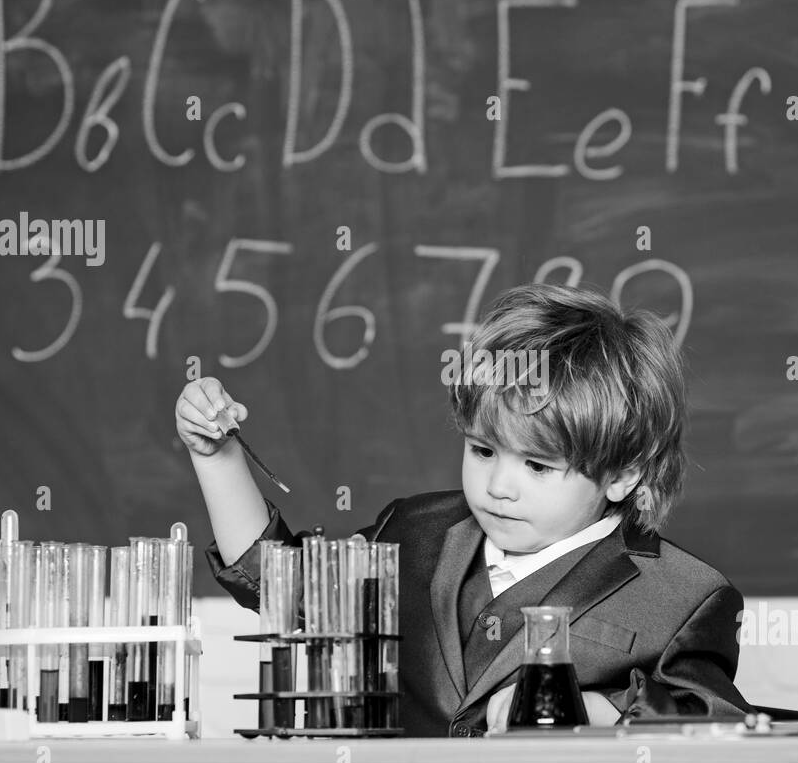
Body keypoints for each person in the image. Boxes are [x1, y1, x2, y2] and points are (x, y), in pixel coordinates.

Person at [176, 284, 753, 737]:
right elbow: (281, 587)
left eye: (538, 466)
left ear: (623, 473)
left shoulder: (683, 595)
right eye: (482, 450)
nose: (499, 486)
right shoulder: (414, 532)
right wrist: (220, 456)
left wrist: (591, 712)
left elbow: (716, 726)